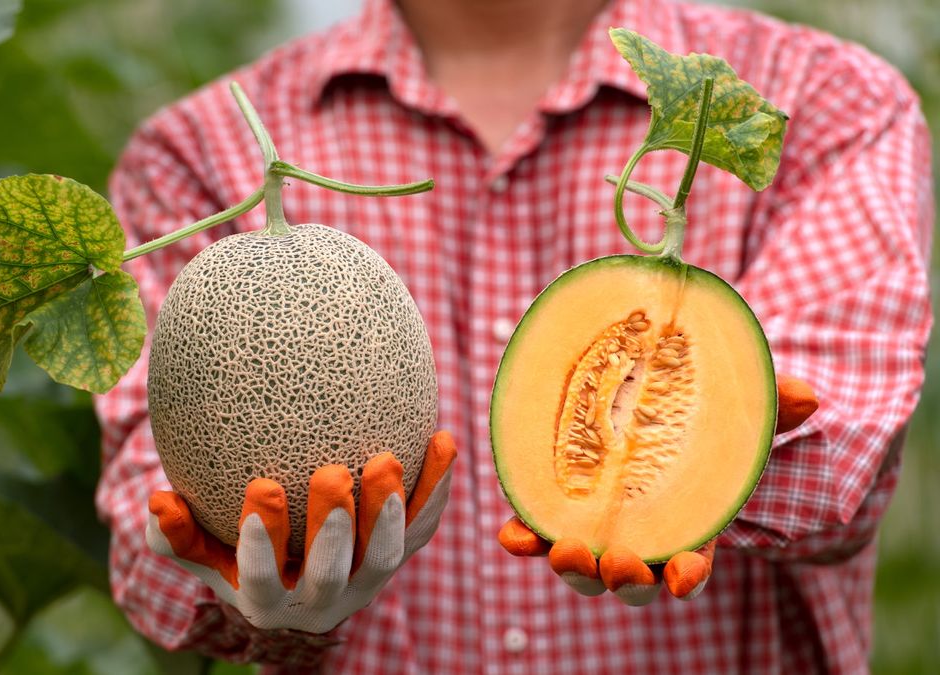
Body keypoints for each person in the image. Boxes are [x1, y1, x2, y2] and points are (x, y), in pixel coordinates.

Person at [94, 0, 933, 671]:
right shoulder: (194, 155)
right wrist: (250, 591)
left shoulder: (824, 97)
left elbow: (847, 434)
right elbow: (148, 506)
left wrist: (712, 473)